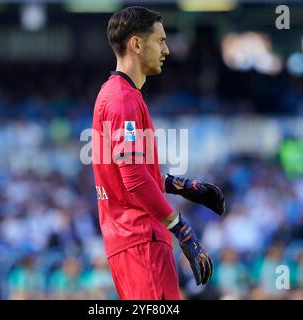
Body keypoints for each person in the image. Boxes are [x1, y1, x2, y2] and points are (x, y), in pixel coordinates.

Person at [91, 6, 225, 300]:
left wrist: (185, 187)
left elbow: (130, 171)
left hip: (129, 241)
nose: (166, 49)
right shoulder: (123, 100)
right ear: (136, 44)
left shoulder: (112, 94)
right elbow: (135, 180)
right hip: (142, 240)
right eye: (161, 40)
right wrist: (182, 229)